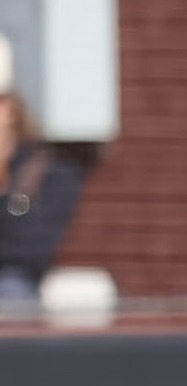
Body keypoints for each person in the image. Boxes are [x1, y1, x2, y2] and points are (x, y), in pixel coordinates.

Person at [0, 34, 87, 308]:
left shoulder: (49, 173)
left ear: (8, 108)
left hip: (12, 293)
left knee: (10, 289)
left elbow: (26, 253)